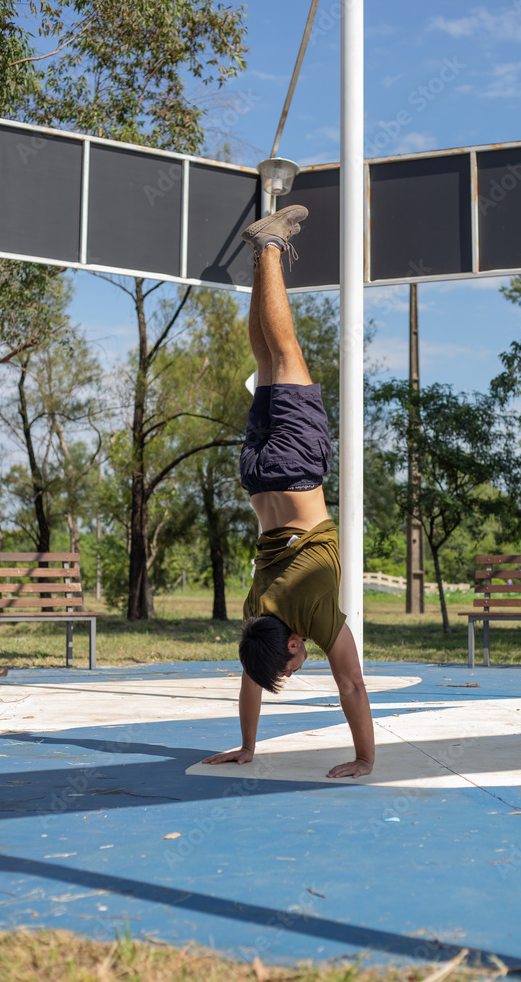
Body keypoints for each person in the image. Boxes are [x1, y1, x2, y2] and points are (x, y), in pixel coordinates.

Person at [202, 205, 374, 779]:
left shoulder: (315, 616)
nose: (297, 668)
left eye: (294, 665)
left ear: (296, 641)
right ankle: (260, 255)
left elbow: (350, 682)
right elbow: (252, 678)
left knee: (287, 353)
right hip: (255, 478)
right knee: (266, 361)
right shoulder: (256, 618)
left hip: (297, 469)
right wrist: (247, 746)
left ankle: (270, 246)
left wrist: (365, 757)